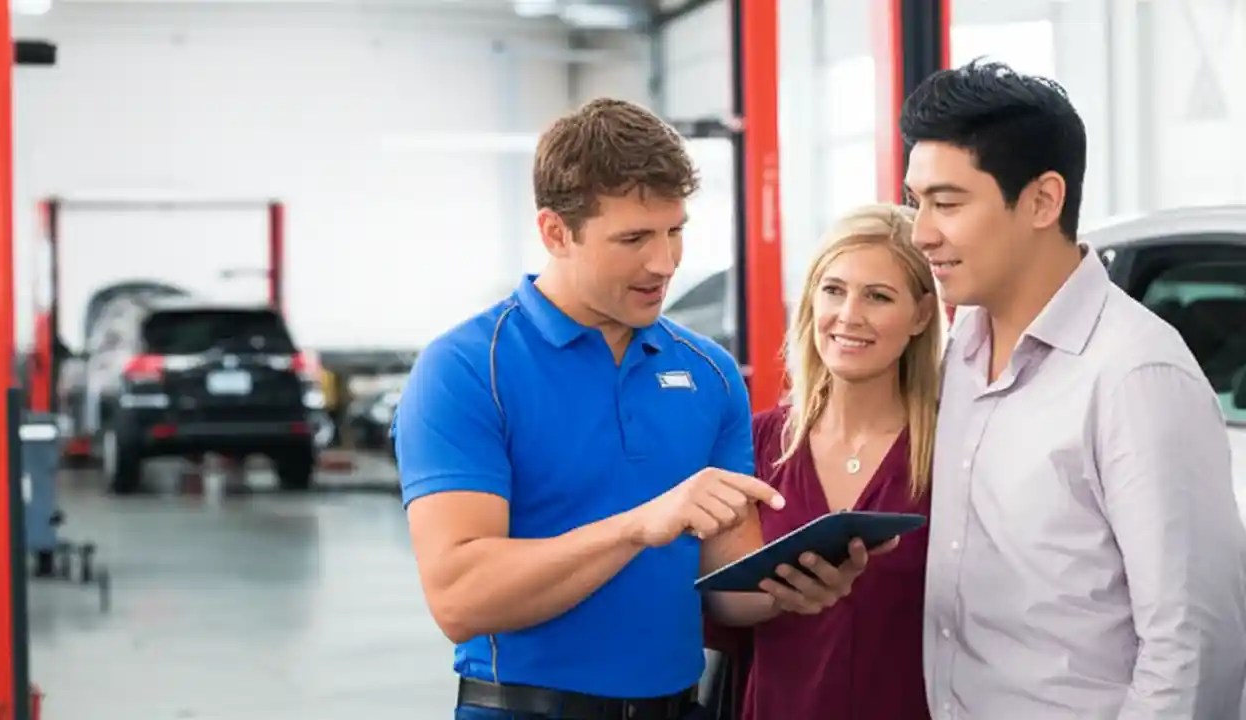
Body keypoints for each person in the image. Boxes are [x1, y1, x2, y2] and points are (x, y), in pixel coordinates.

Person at [393, 98, 879, 720]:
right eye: (634, 238)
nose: (665, 263)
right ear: (555, 232)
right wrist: (636, 526)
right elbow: (460, 598)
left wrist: (795, 586)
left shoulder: (710, 374)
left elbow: (727, 592)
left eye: (675, 231)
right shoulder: (465, 369)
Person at [901, 59, 1246, 718]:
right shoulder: (963, 350)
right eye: (916, 202)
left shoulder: (1135, 377)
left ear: (1042, 200)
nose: (921, 233)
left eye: (947, 203)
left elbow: (1195, 647)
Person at [704, 203, 942, 720]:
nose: (848, 315)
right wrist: (781, 595)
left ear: (922, 315)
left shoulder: (955, 450)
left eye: (877, 296)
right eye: (833, 290)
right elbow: (722, 604)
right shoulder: (760, 442)